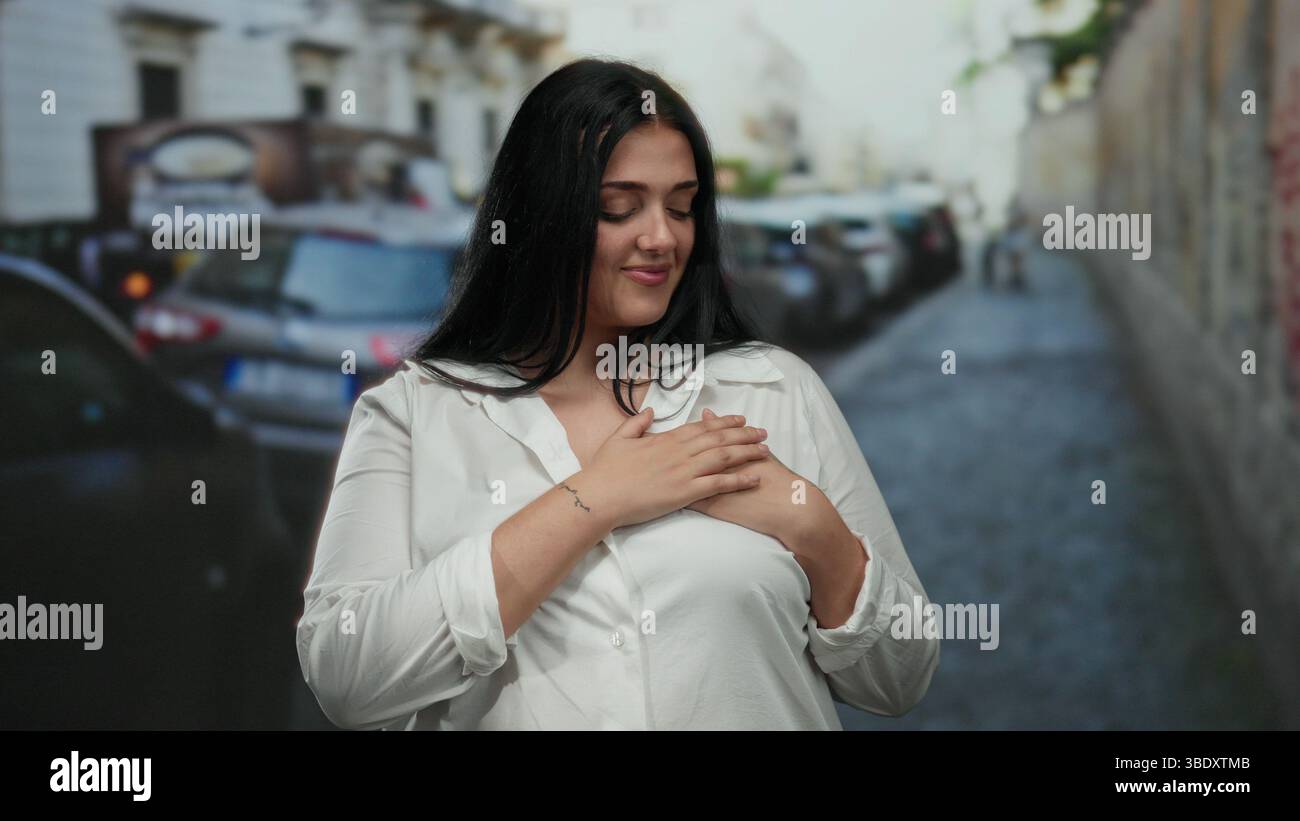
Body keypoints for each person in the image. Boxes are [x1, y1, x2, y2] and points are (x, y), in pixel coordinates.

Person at [295, 58, 940, 730]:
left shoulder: (773, 389)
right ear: (539, 216)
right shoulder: (412, 415)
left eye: (683, 206)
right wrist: (594, 499)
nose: (662, 237)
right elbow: (345, 674)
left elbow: (903, 674)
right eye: (618, 208)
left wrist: (812, 527)